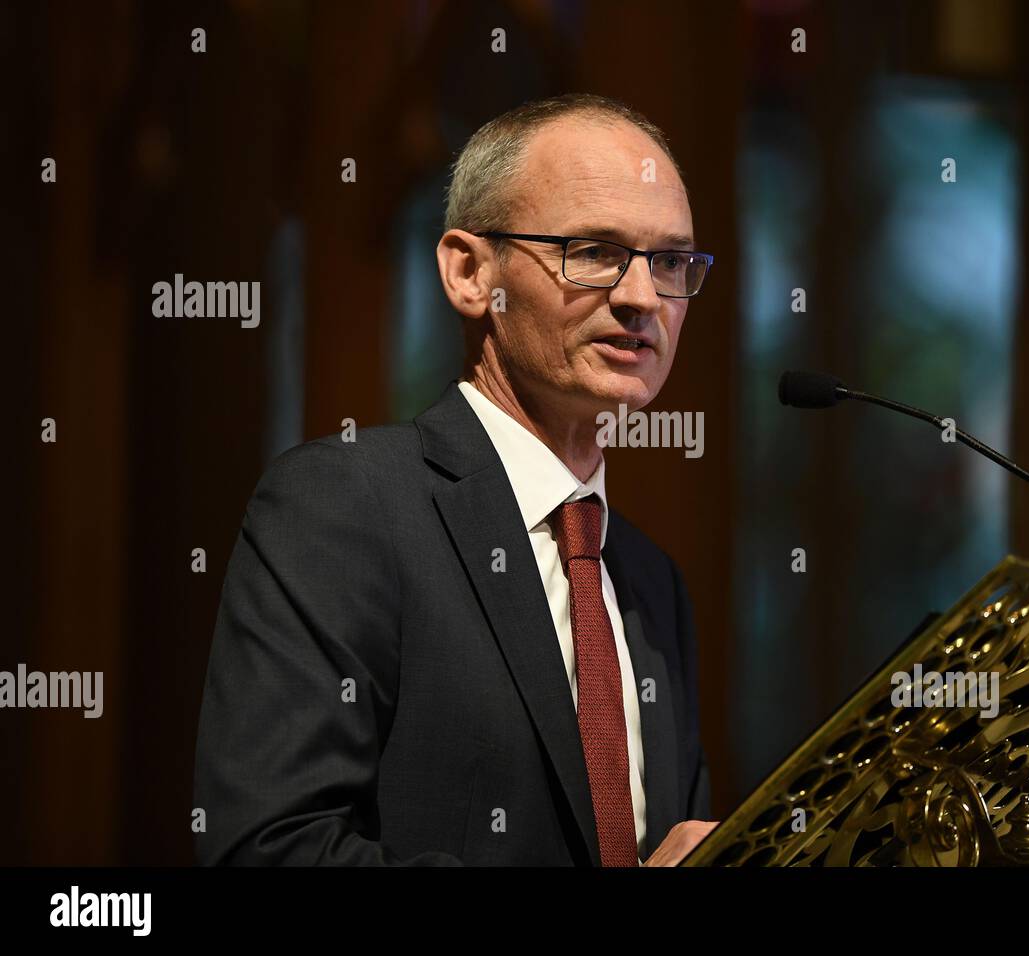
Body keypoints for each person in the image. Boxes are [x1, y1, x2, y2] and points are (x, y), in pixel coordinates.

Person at [194, 93, 717, 866]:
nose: (642, 298)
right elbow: (267, 849)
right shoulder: (344, 506)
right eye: (594, 251)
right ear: (471, 273)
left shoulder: (649, 581)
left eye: (670, 262)